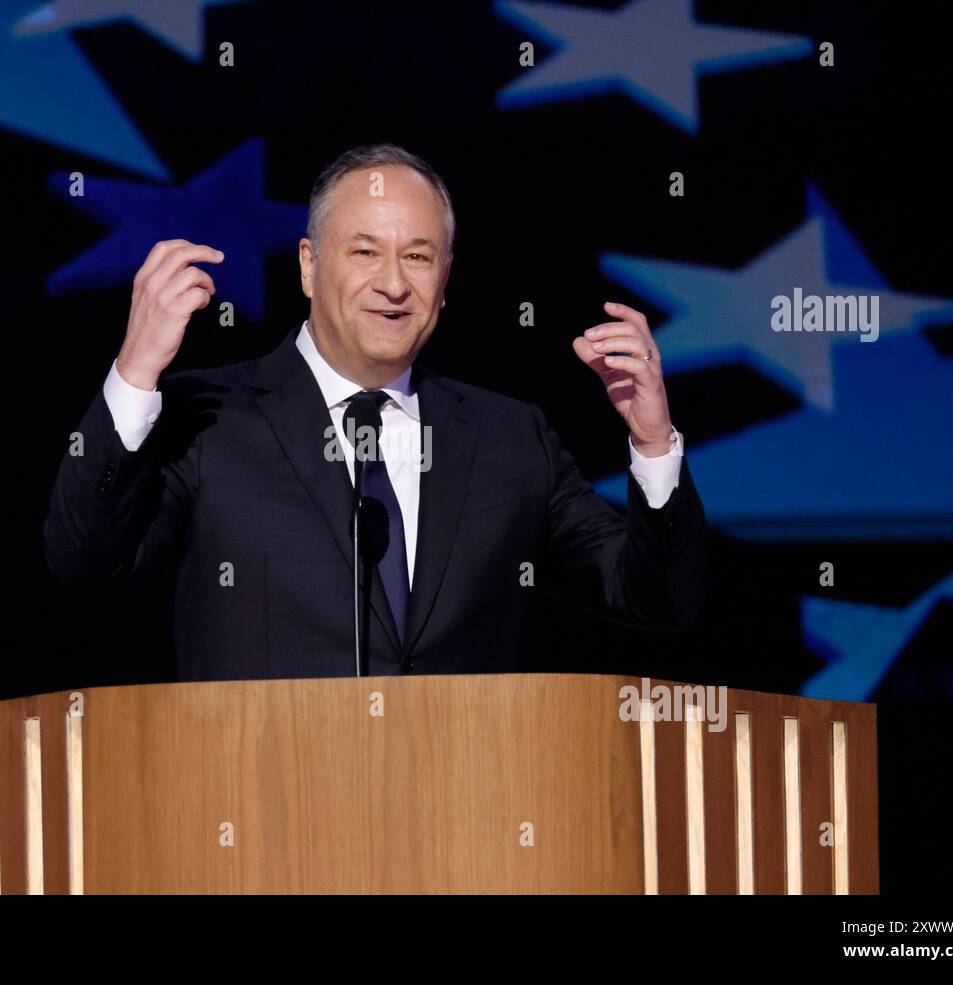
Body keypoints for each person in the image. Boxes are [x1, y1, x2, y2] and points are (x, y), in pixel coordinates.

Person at [44, 144, 708, 680]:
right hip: (254, 822)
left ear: (445, 282)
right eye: (364, 252)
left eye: (417, 257)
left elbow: (656, 599)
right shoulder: (208, 418)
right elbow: (83, 556)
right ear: (308, 266)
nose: (393, 284)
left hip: (462, 826)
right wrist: (134, 374)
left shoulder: (510, 441)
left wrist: (653, 443)